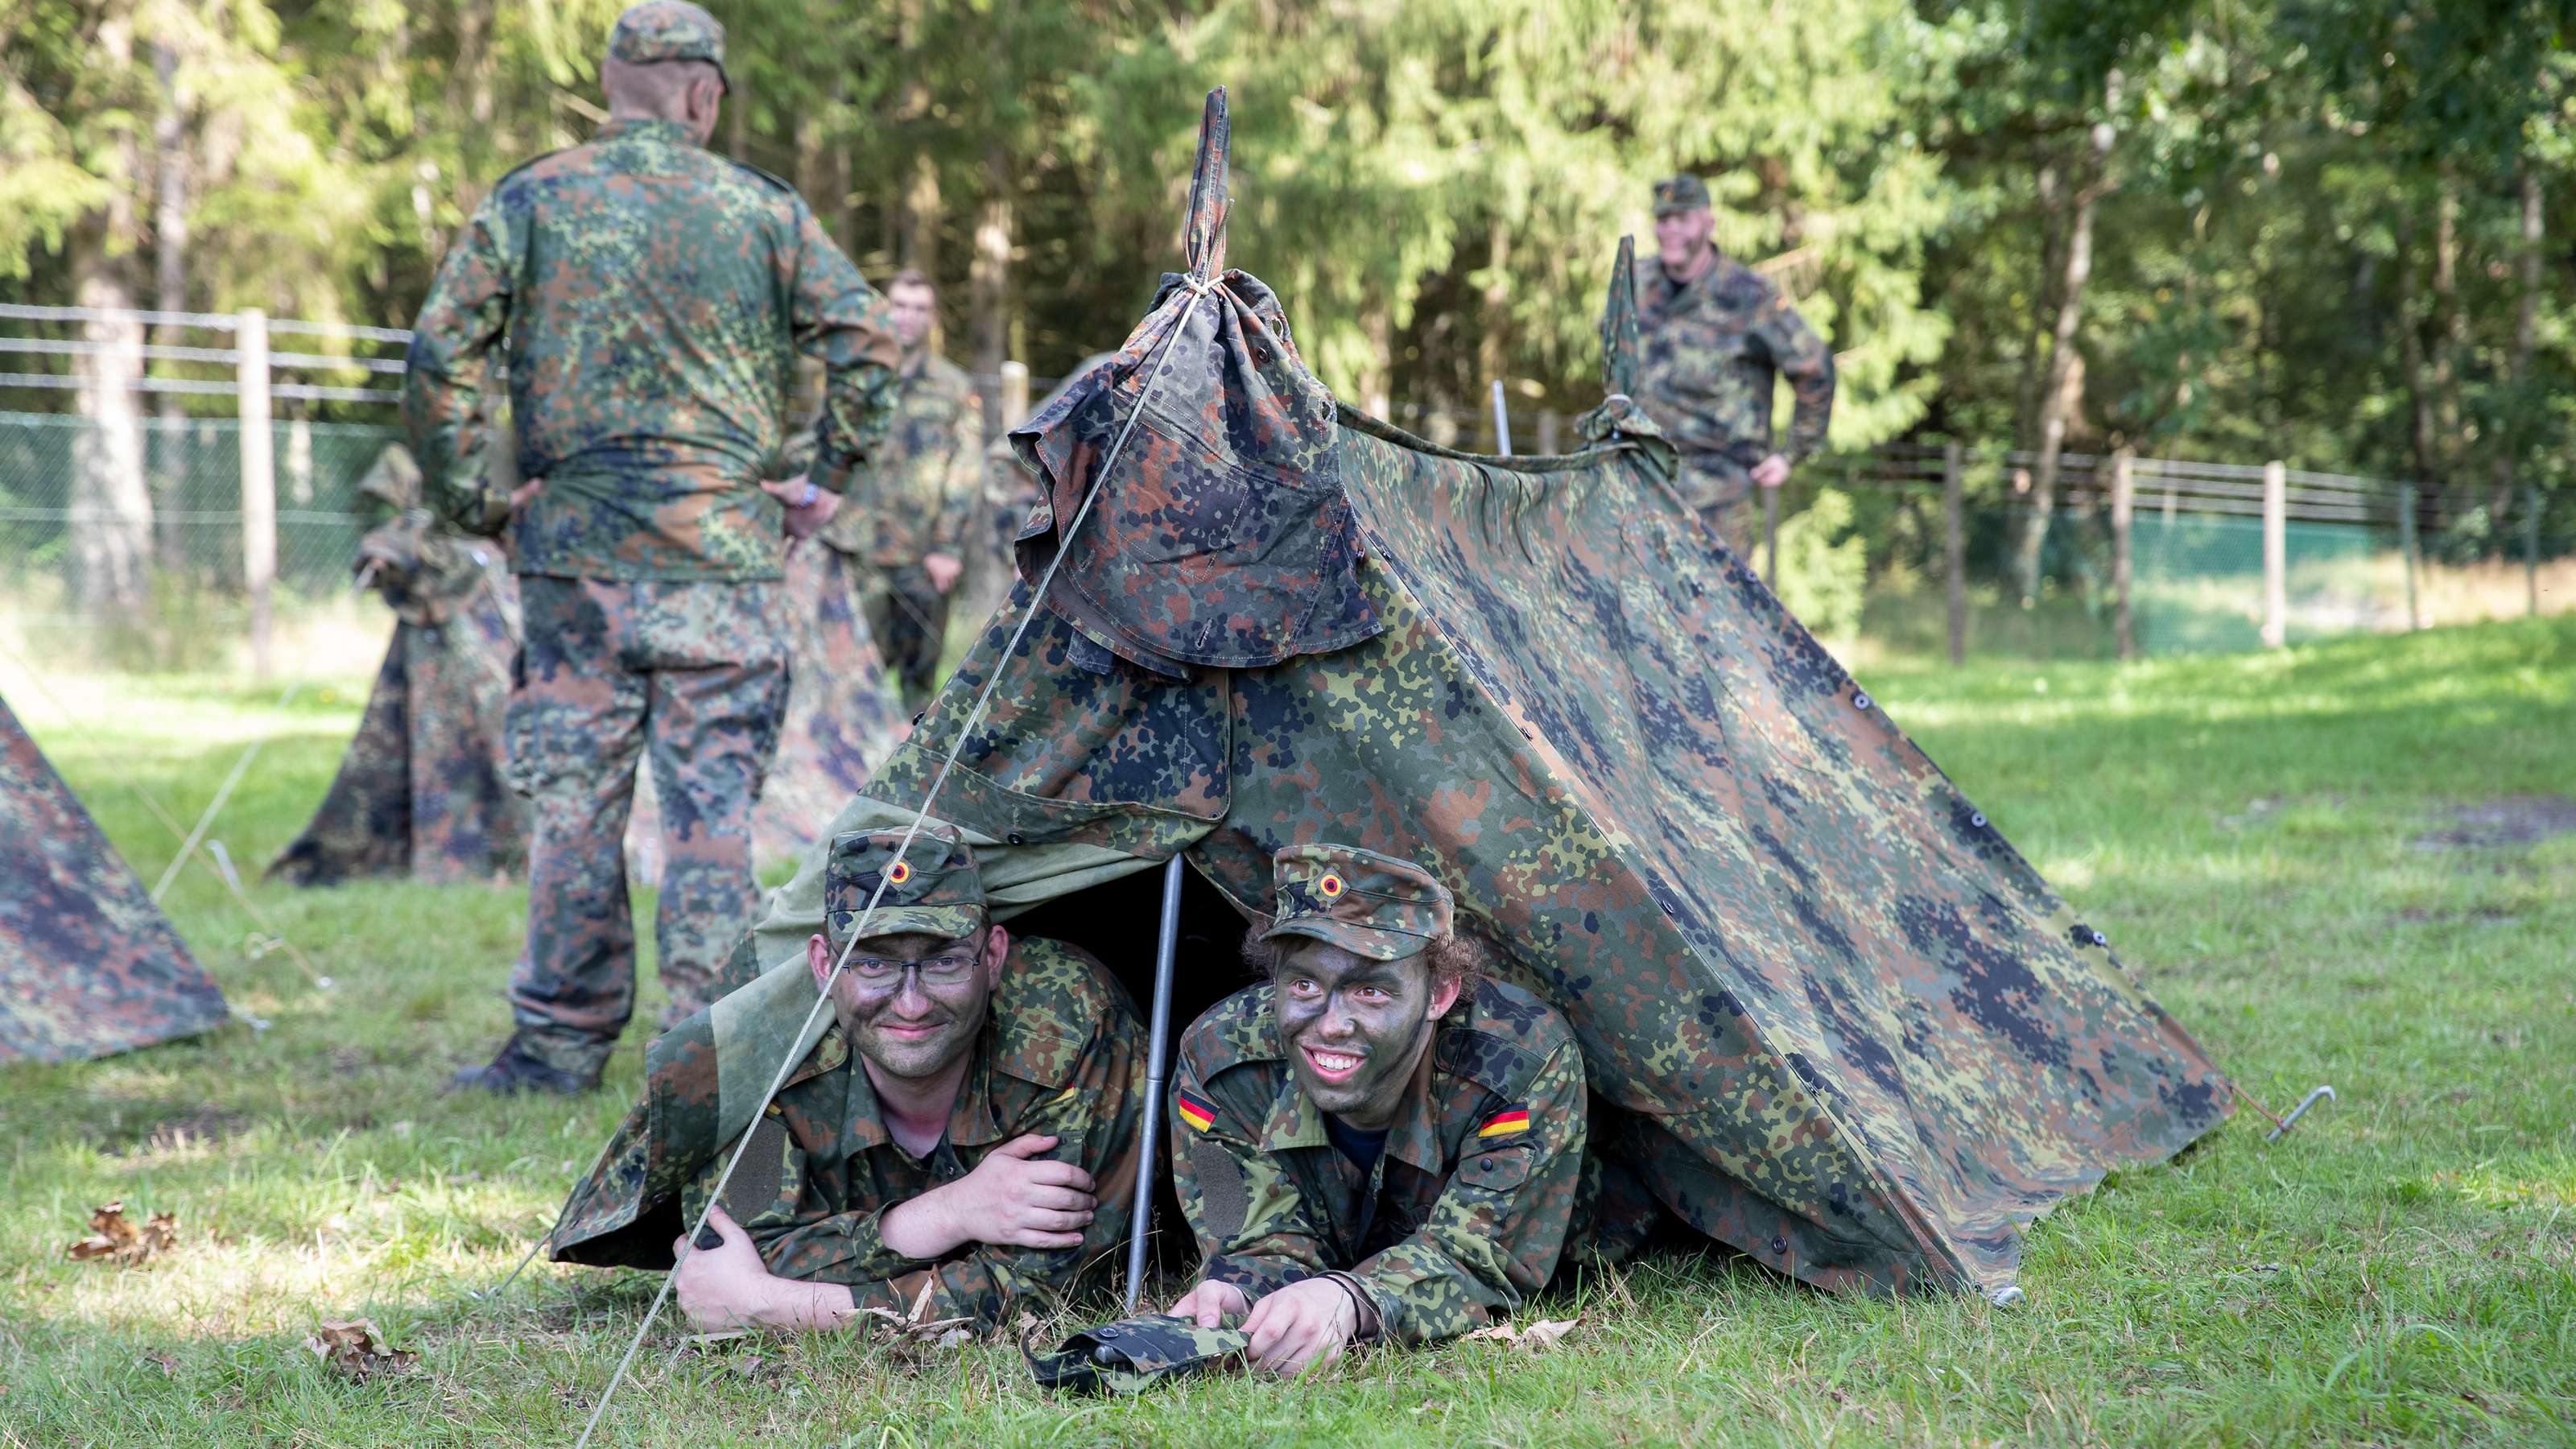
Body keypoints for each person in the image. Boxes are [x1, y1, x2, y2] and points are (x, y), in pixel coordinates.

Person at [404, 0, 902, 1093]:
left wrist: (475, 503)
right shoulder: (761, 210)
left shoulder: (535, 197)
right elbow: (868, 344)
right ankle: (704, 1049)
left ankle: (555, 1046)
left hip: (574, 560)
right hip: (722, 564)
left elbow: (441, 355)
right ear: (703, 93)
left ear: (614, 89)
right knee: (712, 816)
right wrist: (824, 478)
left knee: (575, 810)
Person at [547, 828, 1146, 1331]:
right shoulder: (772, 1050)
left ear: (991, 959)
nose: (910, 1004)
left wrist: (775, 1305)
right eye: (873, 963)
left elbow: (1043, 1293)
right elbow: (746, 1245)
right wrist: (947, 1214)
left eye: (942, 961)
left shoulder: (1062, 1021)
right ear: (824, 964)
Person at [1164, 845, 1589, 1376]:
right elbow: (1238, 1224)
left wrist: (1353, 1301)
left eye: (1369, 990)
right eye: (1303, 985)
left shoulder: (1519, 1063)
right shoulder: (1214, 1064)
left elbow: (1478, 1254)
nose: (1331, 1024)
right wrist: (1241, 1288)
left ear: (1440, 993)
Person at [1633, 173, 1837, 558]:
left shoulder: (1748, 296)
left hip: (1717, 498)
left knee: (1715, 616)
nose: (1670, 230)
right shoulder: (1636, 283)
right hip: (1639, 484)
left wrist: (1792, 452)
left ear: (1708, 221)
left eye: (1682, 218)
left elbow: (1814, 366)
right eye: (1663, 220)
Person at [819, 270, 985, 712]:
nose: (908, 317)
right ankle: (847, 776)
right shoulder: (858, 379)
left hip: (922, 559)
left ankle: (912, 776)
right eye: (900, 305)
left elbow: (965, 472)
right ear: (884, 310)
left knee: (918, 688)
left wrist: (947, 547)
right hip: (859, 554)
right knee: (849, 679)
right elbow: (826, 449)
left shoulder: (954, 388)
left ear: (932, 318)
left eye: (920, 308)